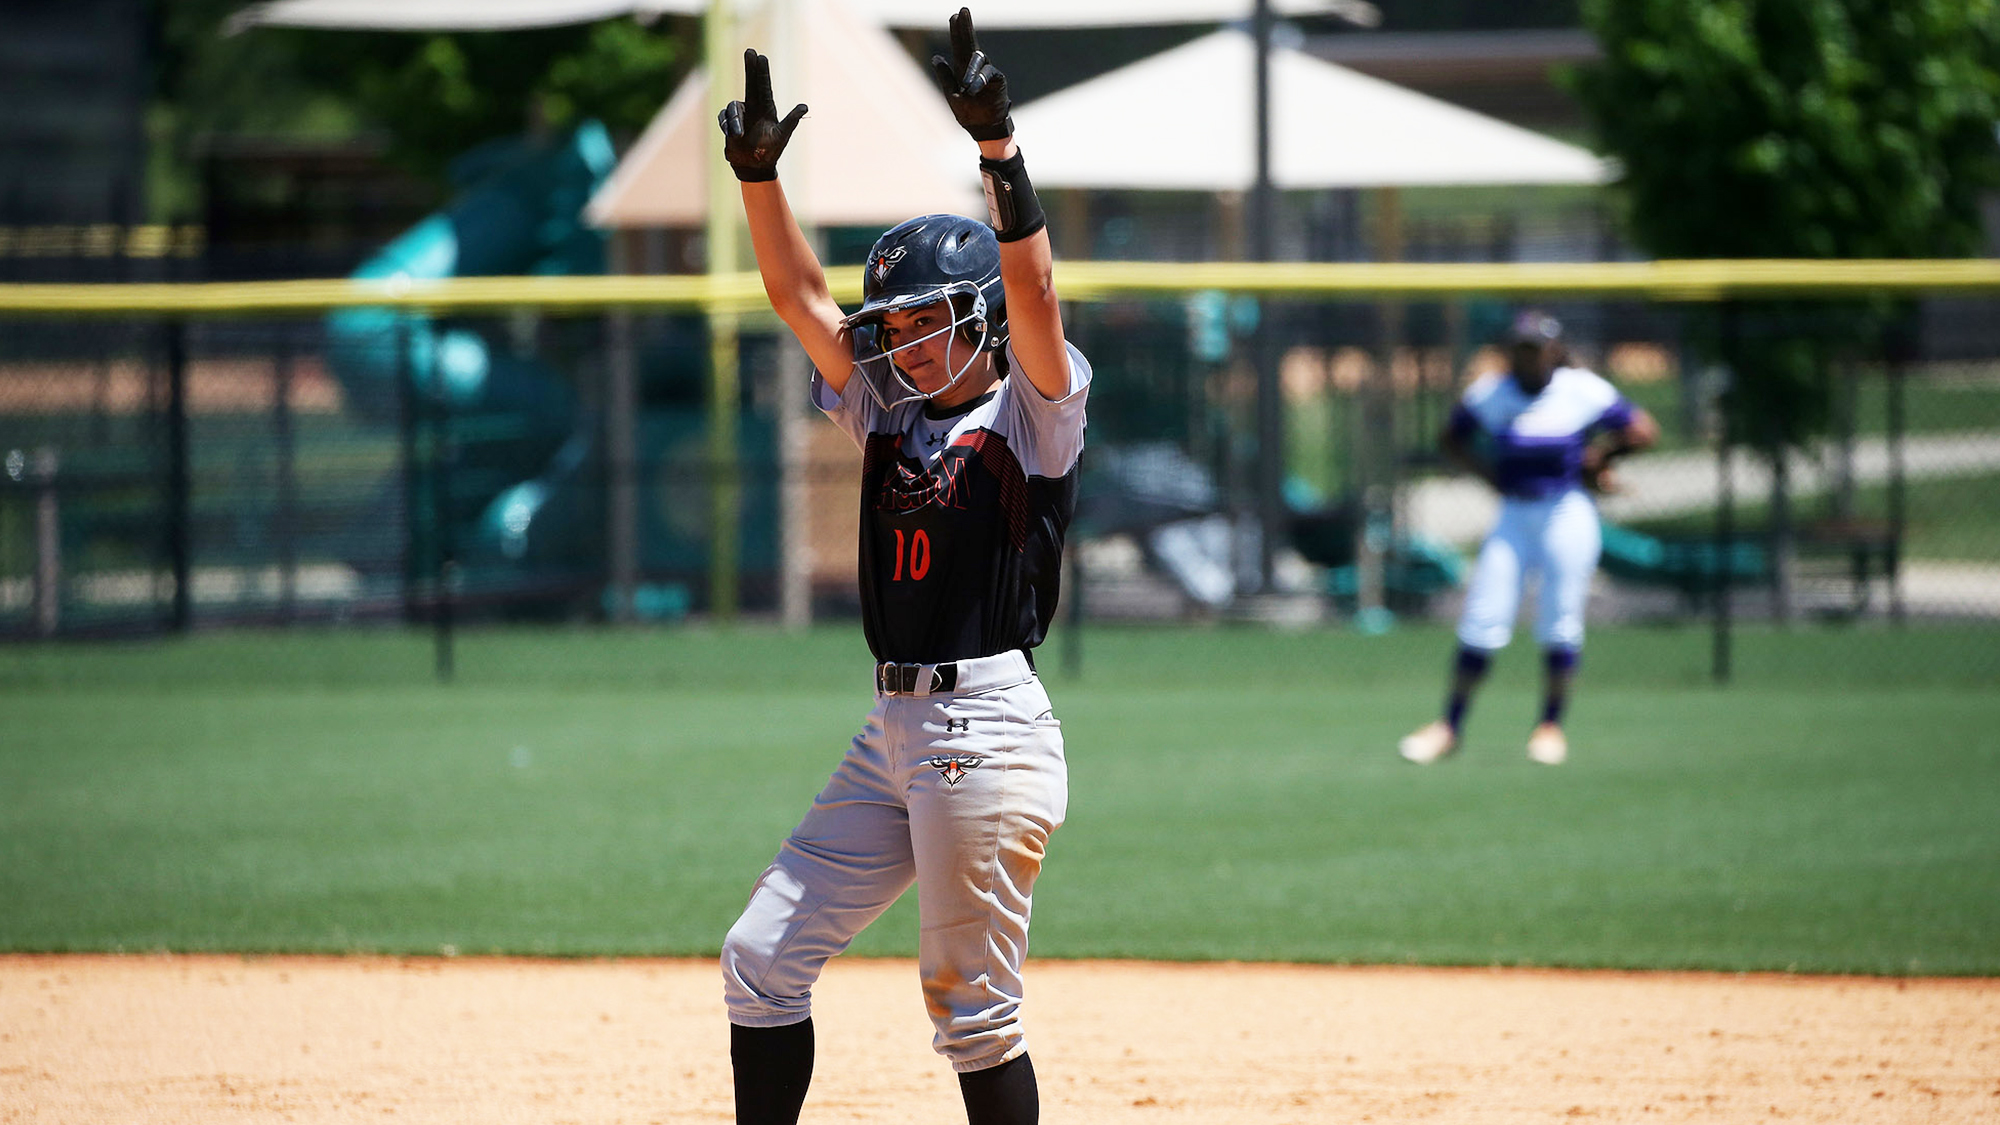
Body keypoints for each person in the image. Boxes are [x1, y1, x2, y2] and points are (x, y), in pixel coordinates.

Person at [714, 10, 1087, 1124]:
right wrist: (757, 180)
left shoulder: (1032, 414)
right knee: (759, 959)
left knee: (971, 1011)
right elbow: (800, 299)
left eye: (927, 321)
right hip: (892, 728)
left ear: (977, 318)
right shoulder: (884, 407)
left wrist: (998, 149)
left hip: (986, 728)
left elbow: (1036, 296)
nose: (905, 342)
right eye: (896, 324)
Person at [1399, 311, 1657, 766]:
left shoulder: (1579, 389)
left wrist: (1601, 456)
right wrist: (1489, 477)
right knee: (1482, 617)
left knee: (1560, 620)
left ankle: (1550, 727)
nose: (1528, 357)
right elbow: (1451, 437)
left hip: (1565, 511)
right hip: (1515, 513)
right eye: (1521, 349)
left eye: (1536, 349)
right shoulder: (1492, 392)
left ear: (1554, 351)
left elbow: (1642, 429)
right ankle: (1449, 727)